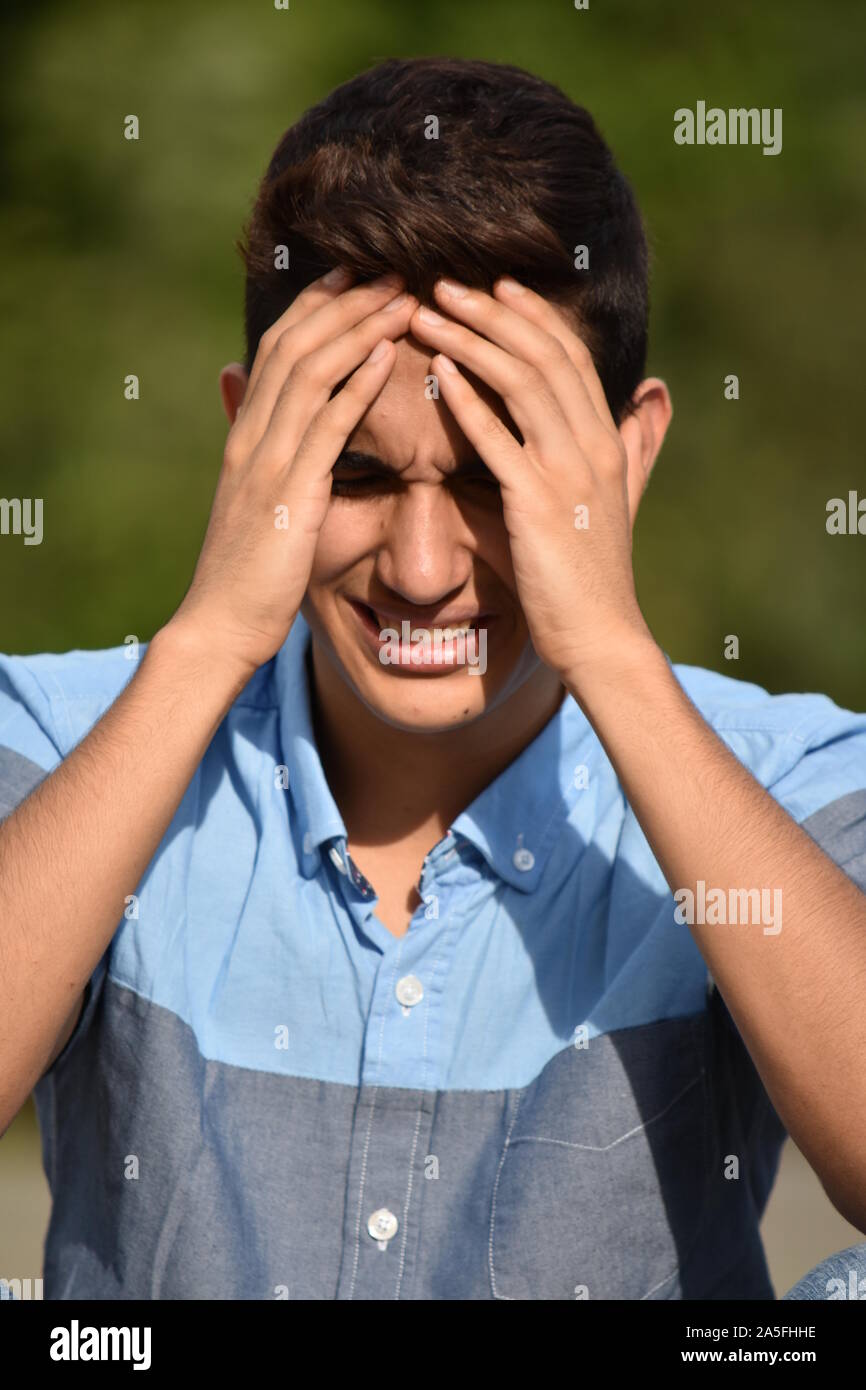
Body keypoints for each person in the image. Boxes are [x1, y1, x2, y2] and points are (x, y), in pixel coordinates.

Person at [1, 56, 864, 1301]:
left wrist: (611, 653)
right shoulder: (72, 736)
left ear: (629, 457)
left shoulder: (781, 785)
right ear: (251, 443)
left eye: (489, 478)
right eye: (352, 477)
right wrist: (205, 639)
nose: (419, 568)